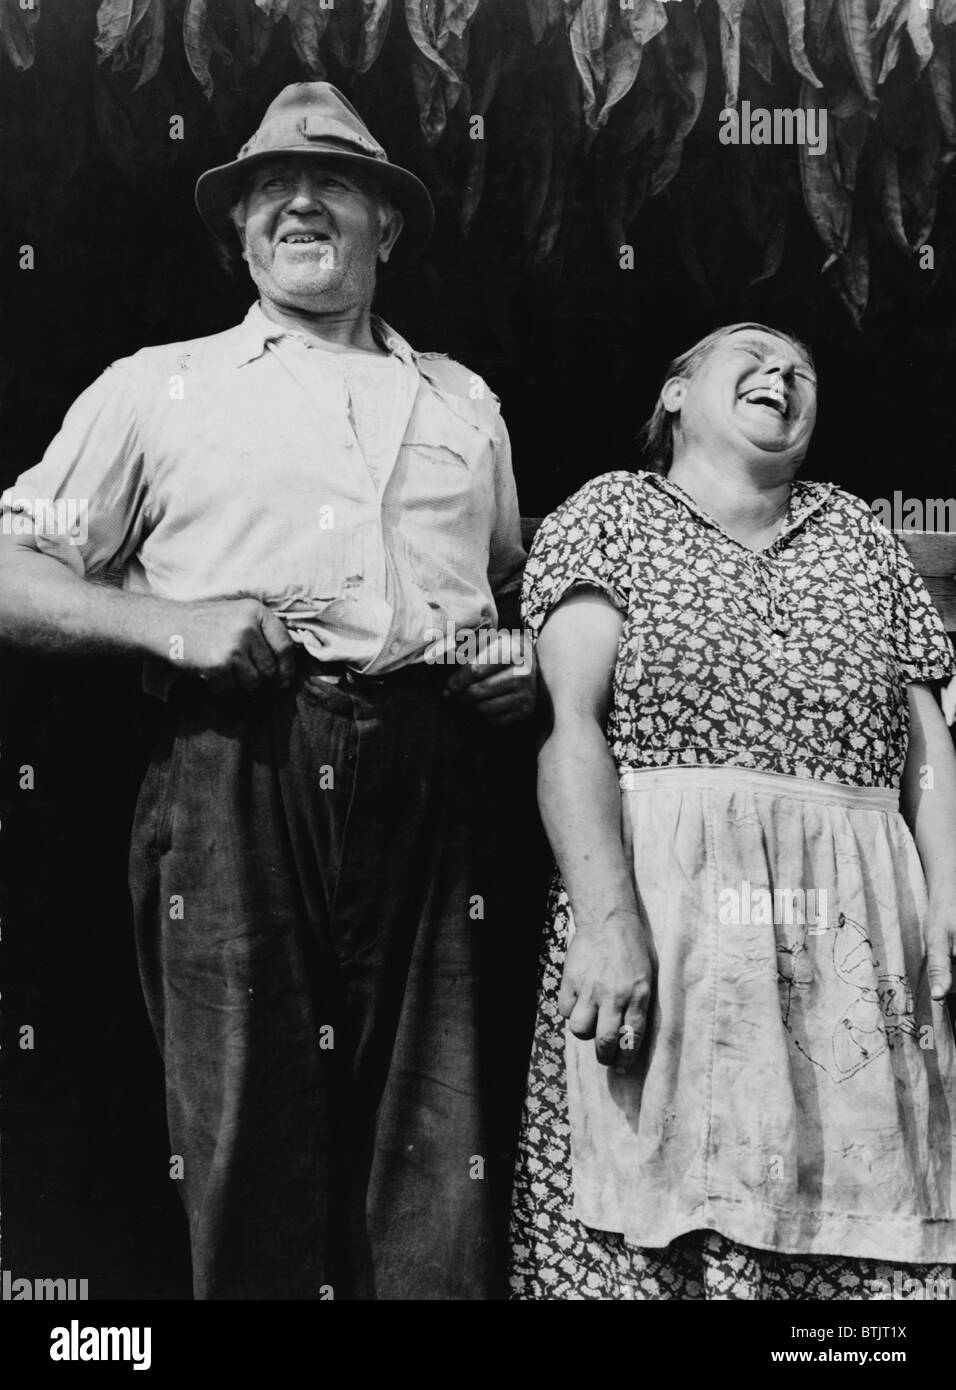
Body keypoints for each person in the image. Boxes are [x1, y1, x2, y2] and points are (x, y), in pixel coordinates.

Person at [0, 82, 536, 1300]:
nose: (299, 200)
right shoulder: (159, 384)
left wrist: (509, 673)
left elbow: (497, 588)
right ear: (240, 231)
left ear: (383, 227)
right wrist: (169, 626)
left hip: (433, 779)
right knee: (246, 1134)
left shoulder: (463, 401)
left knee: (437, 1150)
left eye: (333, 181)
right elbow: (8, 570)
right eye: (266, 190)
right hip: (238, 764)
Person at [508, 322, 956, 1300]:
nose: (781, 374)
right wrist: (606, 919)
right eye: (748, 353)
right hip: (666, 936)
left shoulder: (858, 536)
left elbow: (926, 745)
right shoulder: (613, 514)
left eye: (801, 369)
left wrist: (946, 907)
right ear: (674, 394)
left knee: (855, 1244)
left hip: (849, 947)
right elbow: (568, 728)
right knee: (644, 1238)